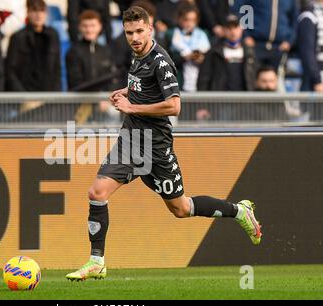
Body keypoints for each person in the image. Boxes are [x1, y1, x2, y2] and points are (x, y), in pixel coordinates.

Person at [65, 6, 262, 281]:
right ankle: (97, 261)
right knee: (97, 192)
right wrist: (128, 90)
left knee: (181, 209)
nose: (134, 37)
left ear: (150, 28)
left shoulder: (160, 60)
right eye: (129, 32)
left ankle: (239, 210)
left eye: (138, 31)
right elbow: (146, 88)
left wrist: (132, 108)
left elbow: (174, 106)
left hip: (156, 147)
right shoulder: (137, 56)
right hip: (132, 140)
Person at [6, 0, 61, 91]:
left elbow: (57, 69)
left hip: (48, 96)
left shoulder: (53, 35)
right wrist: (22, 96)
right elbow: (11, 70)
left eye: (42, 11)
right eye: (34, 11)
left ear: (46, 13)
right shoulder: (17, 37)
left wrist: (54, 95)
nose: (38, 15)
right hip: (25, 95)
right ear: (28, 12)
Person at [234, 0, 298, 70]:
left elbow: (295, 20)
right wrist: (245, 35)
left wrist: (289, 41)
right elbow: (239, 10)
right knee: (252, 77)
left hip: (279, 48)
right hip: (255, 45)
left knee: (274, 79)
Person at [66, 10, 116, 91]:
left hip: (103, 100)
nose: (89, 30)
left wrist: (106, 98)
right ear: (79, 27)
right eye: (85, 26)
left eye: (93, 26)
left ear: (100, 26)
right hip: (80, 100)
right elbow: (75, 82)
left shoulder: (106, 51)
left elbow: (111, 79)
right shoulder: (73, 52)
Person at [167, 2, 210, 91]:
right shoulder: (171, 35)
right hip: (178, 84)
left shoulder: (203, 35)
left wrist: (202, 59)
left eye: (193, 20)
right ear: (179, 19)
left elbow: (210, 63)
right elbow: (167, 61)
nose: (190, 23)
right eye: (186, 20)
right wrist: (184, 58)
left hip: (199, 85)